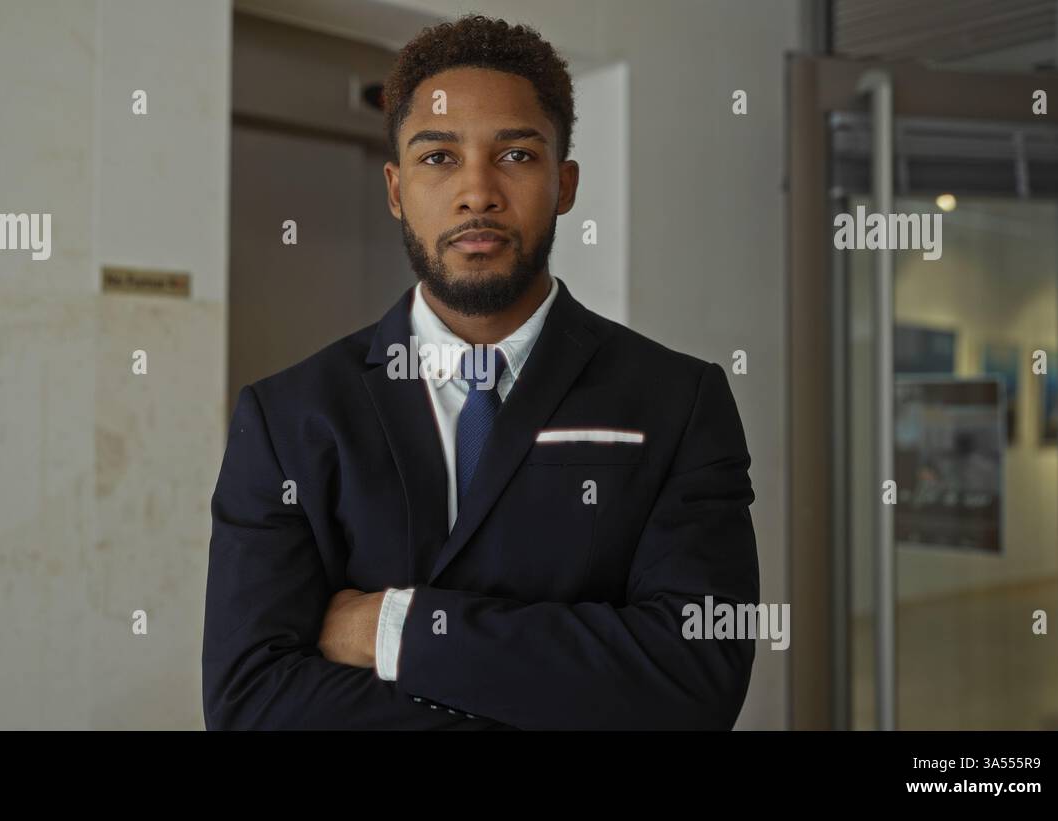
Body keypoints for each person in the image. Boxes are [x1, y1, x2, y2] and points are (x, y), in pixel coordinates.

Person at [202, 13, 759, 730]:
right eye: (439, 158)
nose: (477, 192)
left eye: (517, 156)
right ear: (397, 189)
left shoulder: (677, 400)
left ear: (564, 184)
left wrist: (390, 627)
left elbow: (694, 678)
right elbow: (250, 704)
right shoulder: (288, 418)